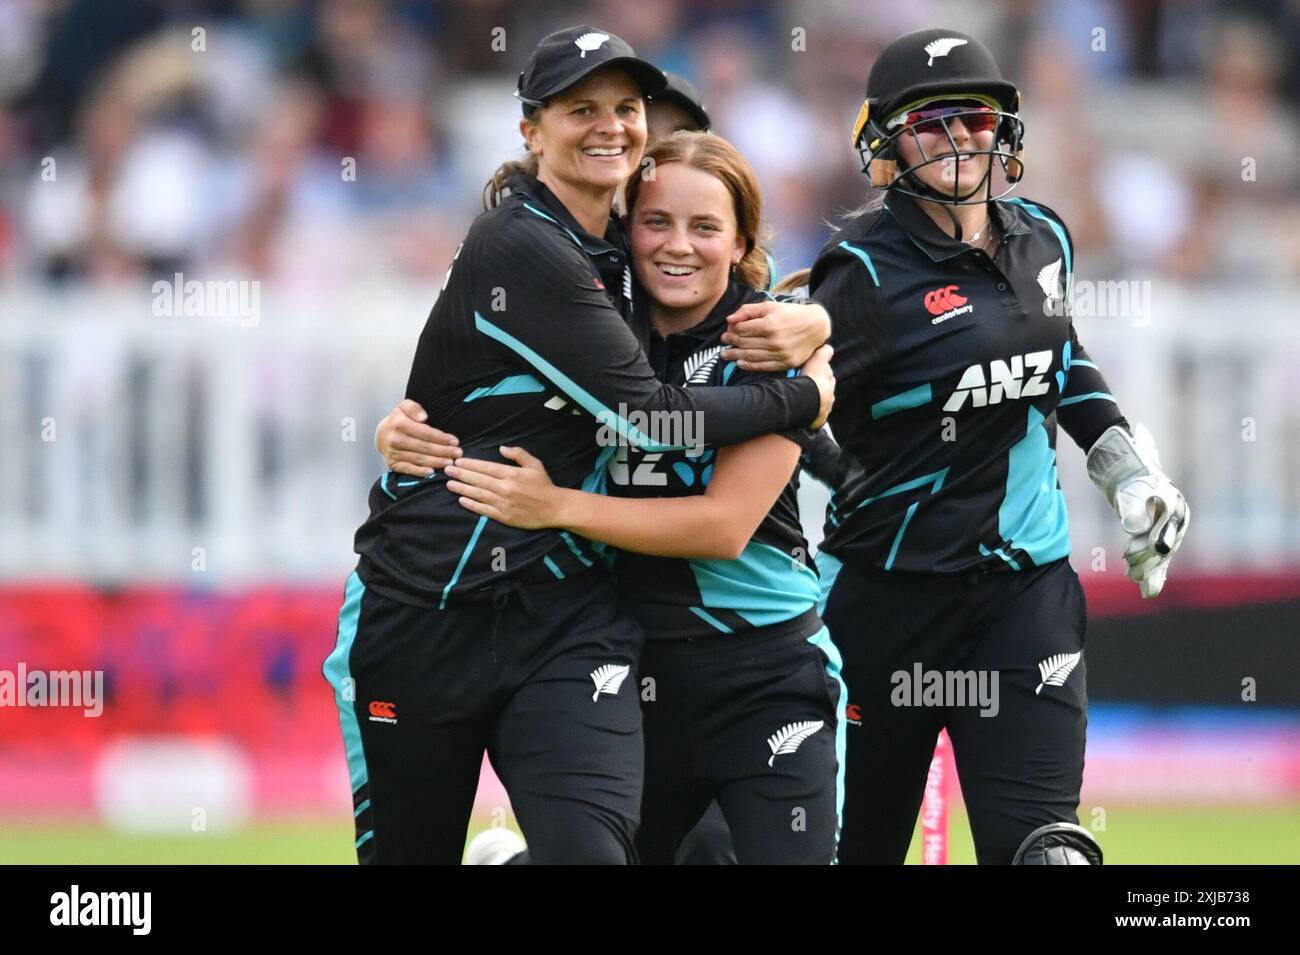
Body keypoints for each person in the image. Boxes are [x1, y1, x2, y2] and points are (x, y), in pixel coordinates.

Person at [321, 26, 834, 865]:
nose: (613, 127)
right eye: (581, 109)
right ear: (530, 129)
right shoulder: (524, 242)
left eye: (626, 109)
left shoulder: (630, 254)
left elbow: (815, 288)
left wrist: (818, 325)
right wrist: (807, 393)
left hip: (567, 613)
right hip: (422, 607)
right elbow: (648, 414)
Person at [805, 27, 1189, 864]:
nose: (956, 139)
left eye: (973, 118)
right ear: (884, 140)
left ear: (1002, 131)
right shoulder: (858, 276)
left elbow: (1058, 359)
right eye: (928, 120)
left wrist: (1125, 467)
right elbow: (793, 412)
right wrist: (850, 478)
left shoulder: (1043, 236)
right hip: (884, 600)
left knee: (1044, 853)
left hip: (1024, 595)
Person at [440, 132, 845, 864]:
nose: (678, 247)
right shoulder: (586, 330)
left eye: (706, 227)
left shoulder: (774, 341)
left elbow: (723, 527)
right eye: (657, 222)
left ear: (742, 239)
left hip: (768, 672)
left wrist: (556, 505)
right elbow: (460, 389)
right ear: (625, 229)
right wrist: (399, 428)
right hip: (629, 669)